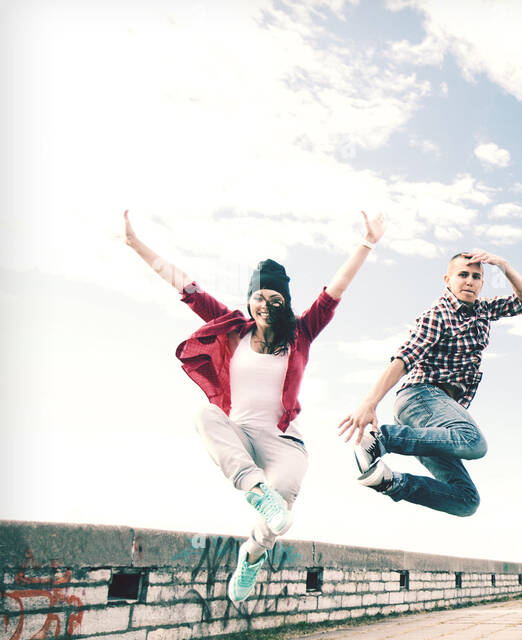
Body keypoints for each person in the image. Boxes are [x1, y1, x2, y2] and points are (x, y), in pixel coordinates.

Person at [123, 208, 385, 603]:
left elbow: (335, 290)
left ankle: (251, 554)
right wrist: (136, 244)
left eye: (274, 298)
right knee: (204, 415)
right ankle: (254, 489)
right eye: (259, 297)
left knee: (285, 498)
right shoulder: (231, 326)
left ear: (285, 302)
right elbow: (183, 284)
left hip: (281, 439)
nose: (265, 305)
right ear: (250, 300)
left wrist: (366, 243)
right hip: (239, 433)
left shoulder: (302, 331)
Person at [339, 250, 522, 517]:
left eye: (476, 277)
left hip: (432, 421)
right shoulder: (439, 313)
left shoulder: (484, 309)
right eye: (463, 275)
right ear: (448, 280)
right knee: (473, 441)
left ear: (481, 284)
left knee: (466, 500)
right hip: (419, 397)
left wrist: (504, 265)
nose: (469, 281)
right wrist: (370, 402)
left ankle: (389, 481)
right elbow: (404, 358)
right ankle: (382, 439)